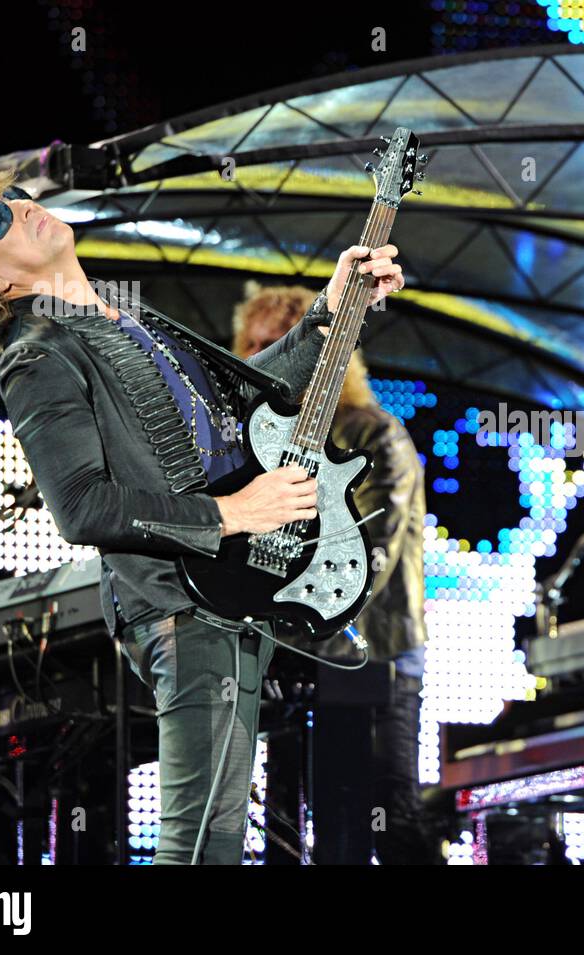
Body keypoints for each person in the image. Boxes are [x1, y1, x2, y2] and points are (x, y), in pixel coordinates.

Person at [0, 169, 405, 863]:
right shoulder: (37, 354)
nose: (22, 209)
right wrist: (230, 512)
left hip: (223, 598)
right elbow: (81, 506)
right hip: (178, 603)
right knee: (198, 843)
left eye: (14, 198)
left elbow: (250, 403)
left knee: (217, 840)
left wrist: (330, 309)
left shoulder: (120, 315)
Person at [233, 283, 434, 863]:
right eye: (253, 344)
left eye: (278, 344)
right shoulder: (248, 444)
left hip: (377, 648)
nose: (259, 357)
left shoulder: (374, 434)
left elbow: (370, 551)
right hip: (287, 651)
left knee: (387, 806)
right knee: (284, 812)